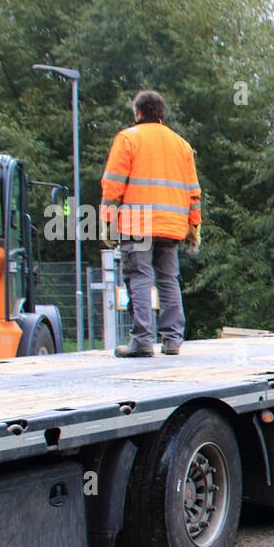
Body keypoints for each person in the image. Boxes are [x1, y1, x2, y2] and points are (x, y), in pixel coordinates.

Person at [100, 89, 201, 358]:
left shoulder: (128, 138)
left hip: (137, 223)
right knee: (169, 280)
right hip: (172, 224)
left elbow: (113, 186)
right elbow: (194, 192)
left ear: (139, 112)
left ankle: (142, 341)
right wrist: (194, 227)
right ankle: (172, 340)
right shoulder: (182, 145)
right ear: (161, 114)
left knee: (140, 278)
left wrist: (107, 223)